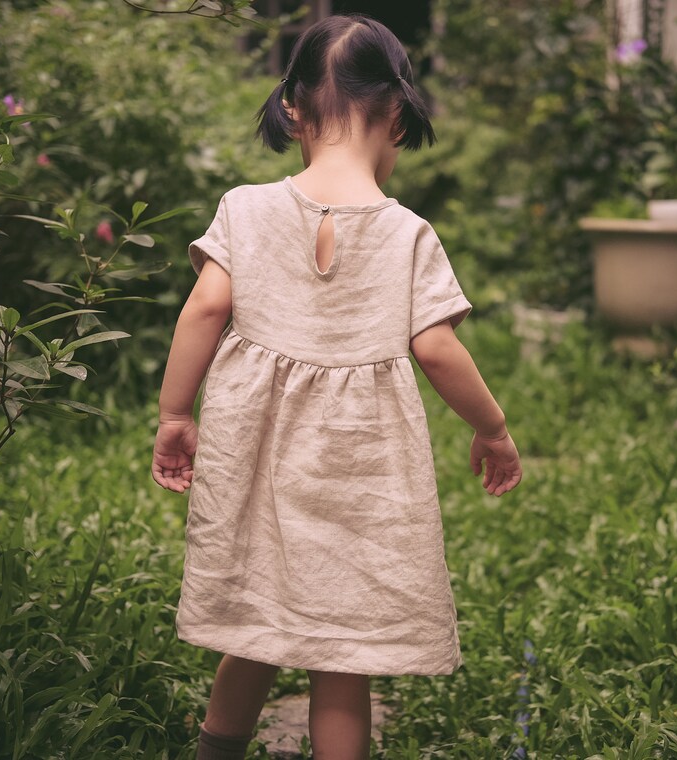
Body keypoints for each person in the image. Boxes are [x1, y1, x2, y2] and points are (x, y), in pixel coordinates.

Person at [151, 14, 521, 760]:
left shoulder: (244, 209)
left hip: (256, 460)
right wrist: (492, 428)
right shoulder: (407, 232)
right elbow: (438, 349)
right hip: (361, 473)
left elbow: (208, 307)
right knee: (343, 659)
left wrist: (173, 413)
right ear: (396, 113)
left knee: (255, 629)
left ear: (292, 108)